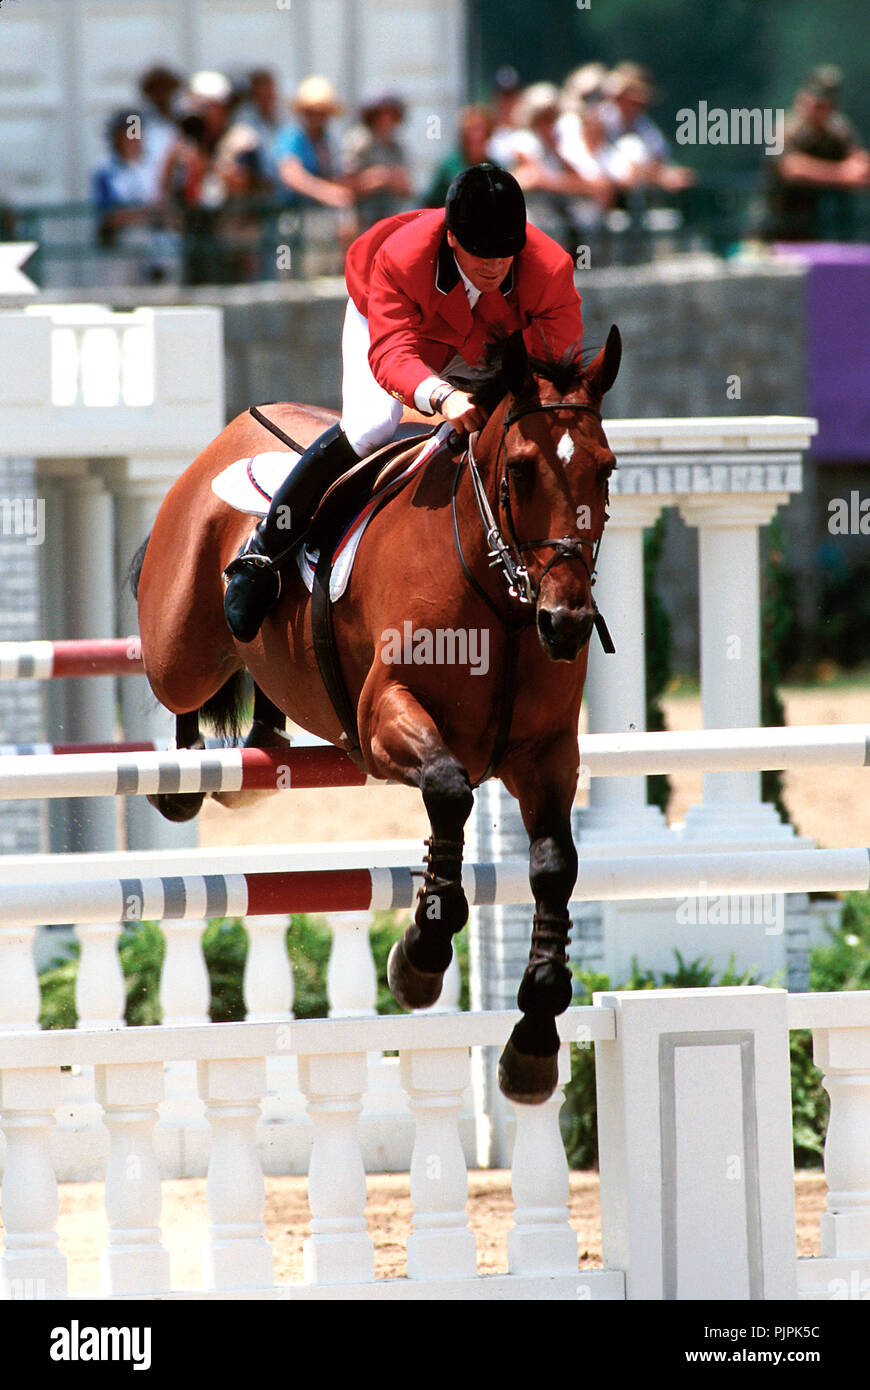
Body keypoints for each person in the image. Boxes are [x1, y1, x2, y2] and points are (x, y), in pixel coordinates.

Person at [223, 163, 586, 642]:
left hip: (486, 348)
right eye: (482, 253)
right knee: (372, 426)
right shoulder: (403, 257)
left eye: (506, 253)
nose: (497, 266)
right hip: (394, 327)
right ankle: (263, 552)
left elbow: (553, 366)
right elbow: (394, 355)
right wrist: (443, 395)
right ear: (453, 239)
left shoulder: (550, 268)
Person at [763, 66, 870, 242]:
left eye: (827, 104)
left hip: (823, 226)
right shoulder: (785, 128)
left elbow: (860, 164)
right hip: (779, 224)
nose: (821, 109)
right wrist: (842, 174)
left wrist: (854, 170)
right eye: (817, 103)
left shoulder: (838, 130)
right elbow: (791, 168)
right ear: (802, 99)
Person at [341, 92, 412, 230]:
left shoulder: (397, 148)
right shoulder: (359, 142)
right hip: (361, 220)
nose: (387, 119)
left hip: (389, 219)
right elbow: (346, 186)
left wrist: (396, 182)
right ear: (372, 116)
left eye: (391, 115)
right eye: (382, 114)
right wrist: (379, 178)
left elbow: (408, 190)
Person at [423, 105, 494, 207]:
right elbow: (432, 201)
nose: (476, 135)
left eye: (480, 129)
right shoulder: (449, 167)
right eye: (472, 129)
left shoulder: (494, 167)